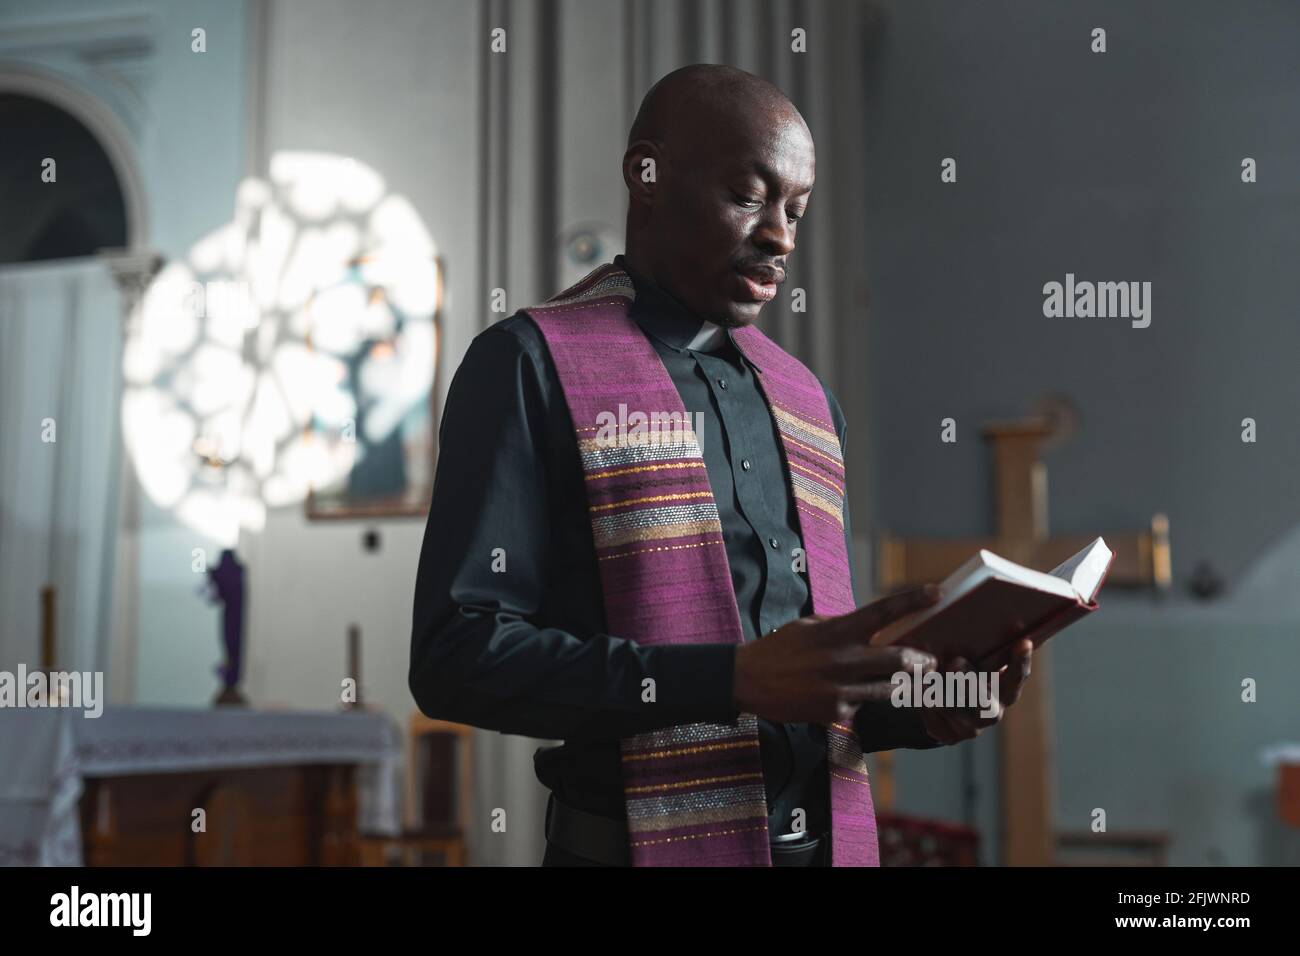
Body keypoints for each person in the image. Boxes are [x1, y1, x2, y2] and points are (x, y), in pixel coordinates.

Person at [410, 63, 1032, 867]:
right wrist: (727, 680)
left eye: (796, 210)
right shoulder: (529, 364)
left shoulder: (806, 401)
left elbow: (812, 698)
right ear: (648, 175)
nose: (781, 235)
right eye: (748, 196)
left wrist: (930, 707)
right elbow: (456, 657)